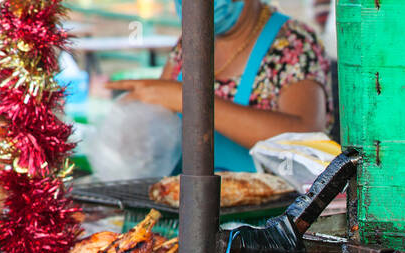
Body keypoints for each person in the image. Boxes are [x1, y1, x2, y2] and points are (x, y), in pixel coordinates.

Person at [108, 0, 332, 171]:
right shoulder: (189, 42)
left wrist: (187, 100)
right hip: (184, 208)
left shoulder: (292, 42)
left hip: (265, 221)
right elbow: (159, 120)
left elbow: (306, 136)